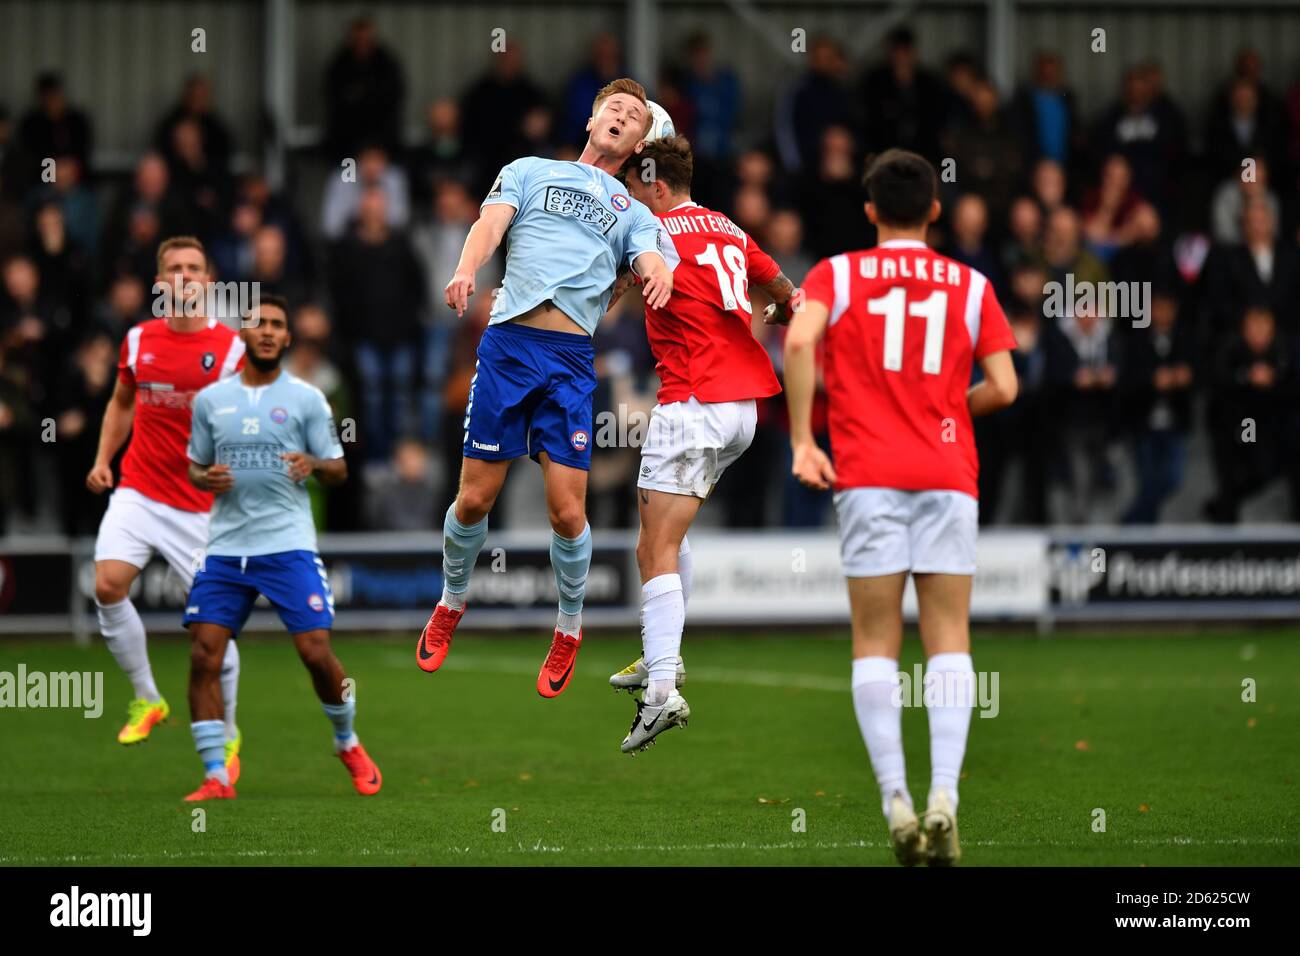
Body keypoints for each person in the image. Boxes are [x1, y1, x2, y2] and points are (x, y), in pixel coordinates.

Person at [783, 150, 1018, 866]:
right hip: (948, 474)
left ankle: (895, 798)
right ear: (937, 212)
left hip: (868, 475)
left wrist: (802, 440)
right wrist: (950, 411)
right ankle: (944, 794)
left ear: (870, 211)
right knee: (948, 637)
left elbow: (796, 339)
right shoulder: (971, 284)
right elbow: (1005, 387)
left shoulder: (838, 273)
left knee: (874, 641)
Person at [418, 78, 672, 698]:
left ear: (641, 141)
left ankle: (568, 627)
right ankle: (452, 601)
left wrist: (658, 269)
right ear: (590, 119)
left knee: (567, 512)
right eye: (612, 106)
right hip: (508, 347)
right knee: (474, 500)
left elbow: (650, 259)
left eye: (633, 115)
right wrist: (463, 270)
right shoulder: (529, 170)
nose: (620, 115)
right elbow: (489, 225)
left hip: (569, 360)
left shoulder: (632, 212)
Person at [606, 135, 796, 752]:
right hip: (742, 411)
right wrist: (773, 314)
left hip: (693, 404)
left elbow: (610, 292)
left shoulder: (654, 233)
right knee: (658, 540)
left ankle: (662, 690)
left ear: (657, 185)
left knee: (654, 549)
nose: (630, 198)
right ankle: (663, 655)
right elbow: (789, 296)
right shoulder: (729, 228)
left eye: (635, 187)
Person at [182, 295, 377, 800]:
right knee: (204, 656)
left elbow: (339, 469)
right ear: (244, 335)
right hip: (226, 550)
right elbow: (193, 467)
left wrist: (313, 463)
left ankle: (346, 739)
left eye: (276, 325)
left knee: (315, 652)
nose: (267, 331)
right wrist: (206, 475)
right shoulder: (210, 401)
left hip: (288, 545)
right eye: (258, 323)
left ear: (287, 338)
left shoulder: (309, 398)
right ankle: (215, 776)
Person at [85, 237, 245, 762]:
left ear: (208, 282)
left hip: (200, 509)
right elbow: (121, 402)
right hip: (138, 489)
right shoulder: (136, 341)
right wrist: (103, 460)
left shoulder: (231, 349)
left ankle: (228, 729)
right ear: (160, 285)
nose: (183, 277)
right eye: (173, 269)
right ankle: (147, 698)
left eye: (193, 268)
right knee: (107, 584)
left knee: (211, 631)